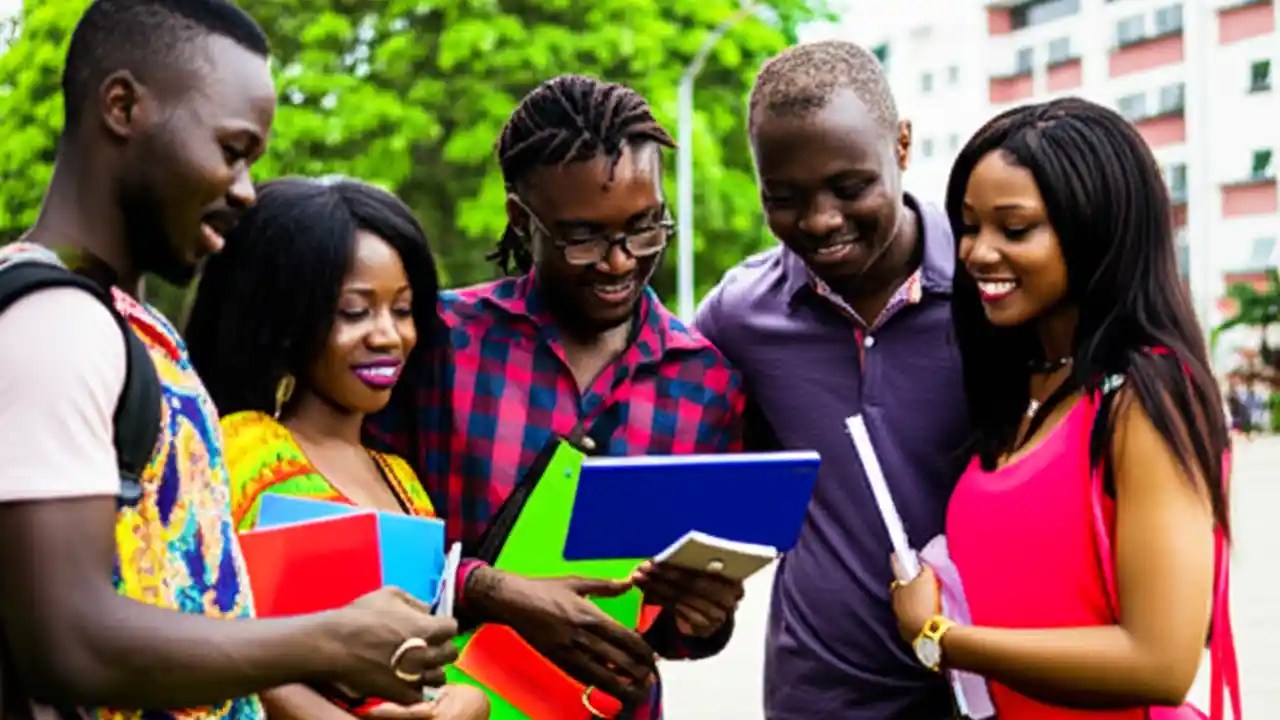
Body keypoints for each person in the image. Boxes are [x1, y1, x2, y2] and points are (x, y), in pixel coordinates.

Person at [0, 3, 456, 719]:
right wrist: (326, 641)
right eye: (231, 149)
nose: (246, 190)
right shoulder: (52, 320)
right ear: (122, 107)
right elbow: (68, 640)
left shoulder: (131, 325)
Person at [366, 74, 747, 718]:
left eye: (644, 227)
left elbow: (681, 635)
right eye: (584, 237)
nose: (620, 261)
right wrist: (487, 590)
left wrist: (705, 619)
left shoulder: (706, 383)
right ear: (522, 218)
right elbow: (360, 537)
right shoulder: (438, 344)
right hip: (439, 704)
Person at [889, 98, 1236, 718]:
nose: (977, 253)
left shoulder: (1147, 395)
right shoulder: (1021, 386)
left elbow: (1161, 661)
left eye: (1014, 229)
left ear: (1095, 231)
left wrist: (940, 636)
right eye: (969, 225)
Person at [695, 41, 967, 718]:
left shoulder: (991, 287)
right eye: (783, 197)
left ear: (902, 146)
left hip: (985, 681)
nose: (819, 221)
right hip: (818, 697)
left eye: (850, 188)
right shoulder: (740, 314)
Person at [186, 177, 490, 720]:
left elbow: (437, 656)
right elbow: (213, 641)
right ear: (287, 318)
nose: (388, 336)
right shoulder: (246, 449)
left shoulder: (400, 476)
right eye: (355, 311)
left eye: (402, 309)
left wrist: (467, 701)